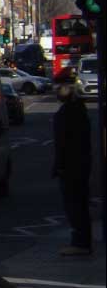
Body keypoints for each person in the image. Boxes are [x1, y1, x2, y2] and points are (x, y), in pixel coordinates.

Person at [52, 79, 92, 256]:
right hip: (79, 164)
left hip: (72, 166)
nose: (56, 92)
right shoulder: (78, 109)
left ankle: (80, 243)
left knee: (74, 205)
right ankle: (82, 241)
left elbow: (64, 143)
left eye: (59, 89)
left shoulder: (69, 112)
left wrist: (60, 166)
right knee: (78, 204)